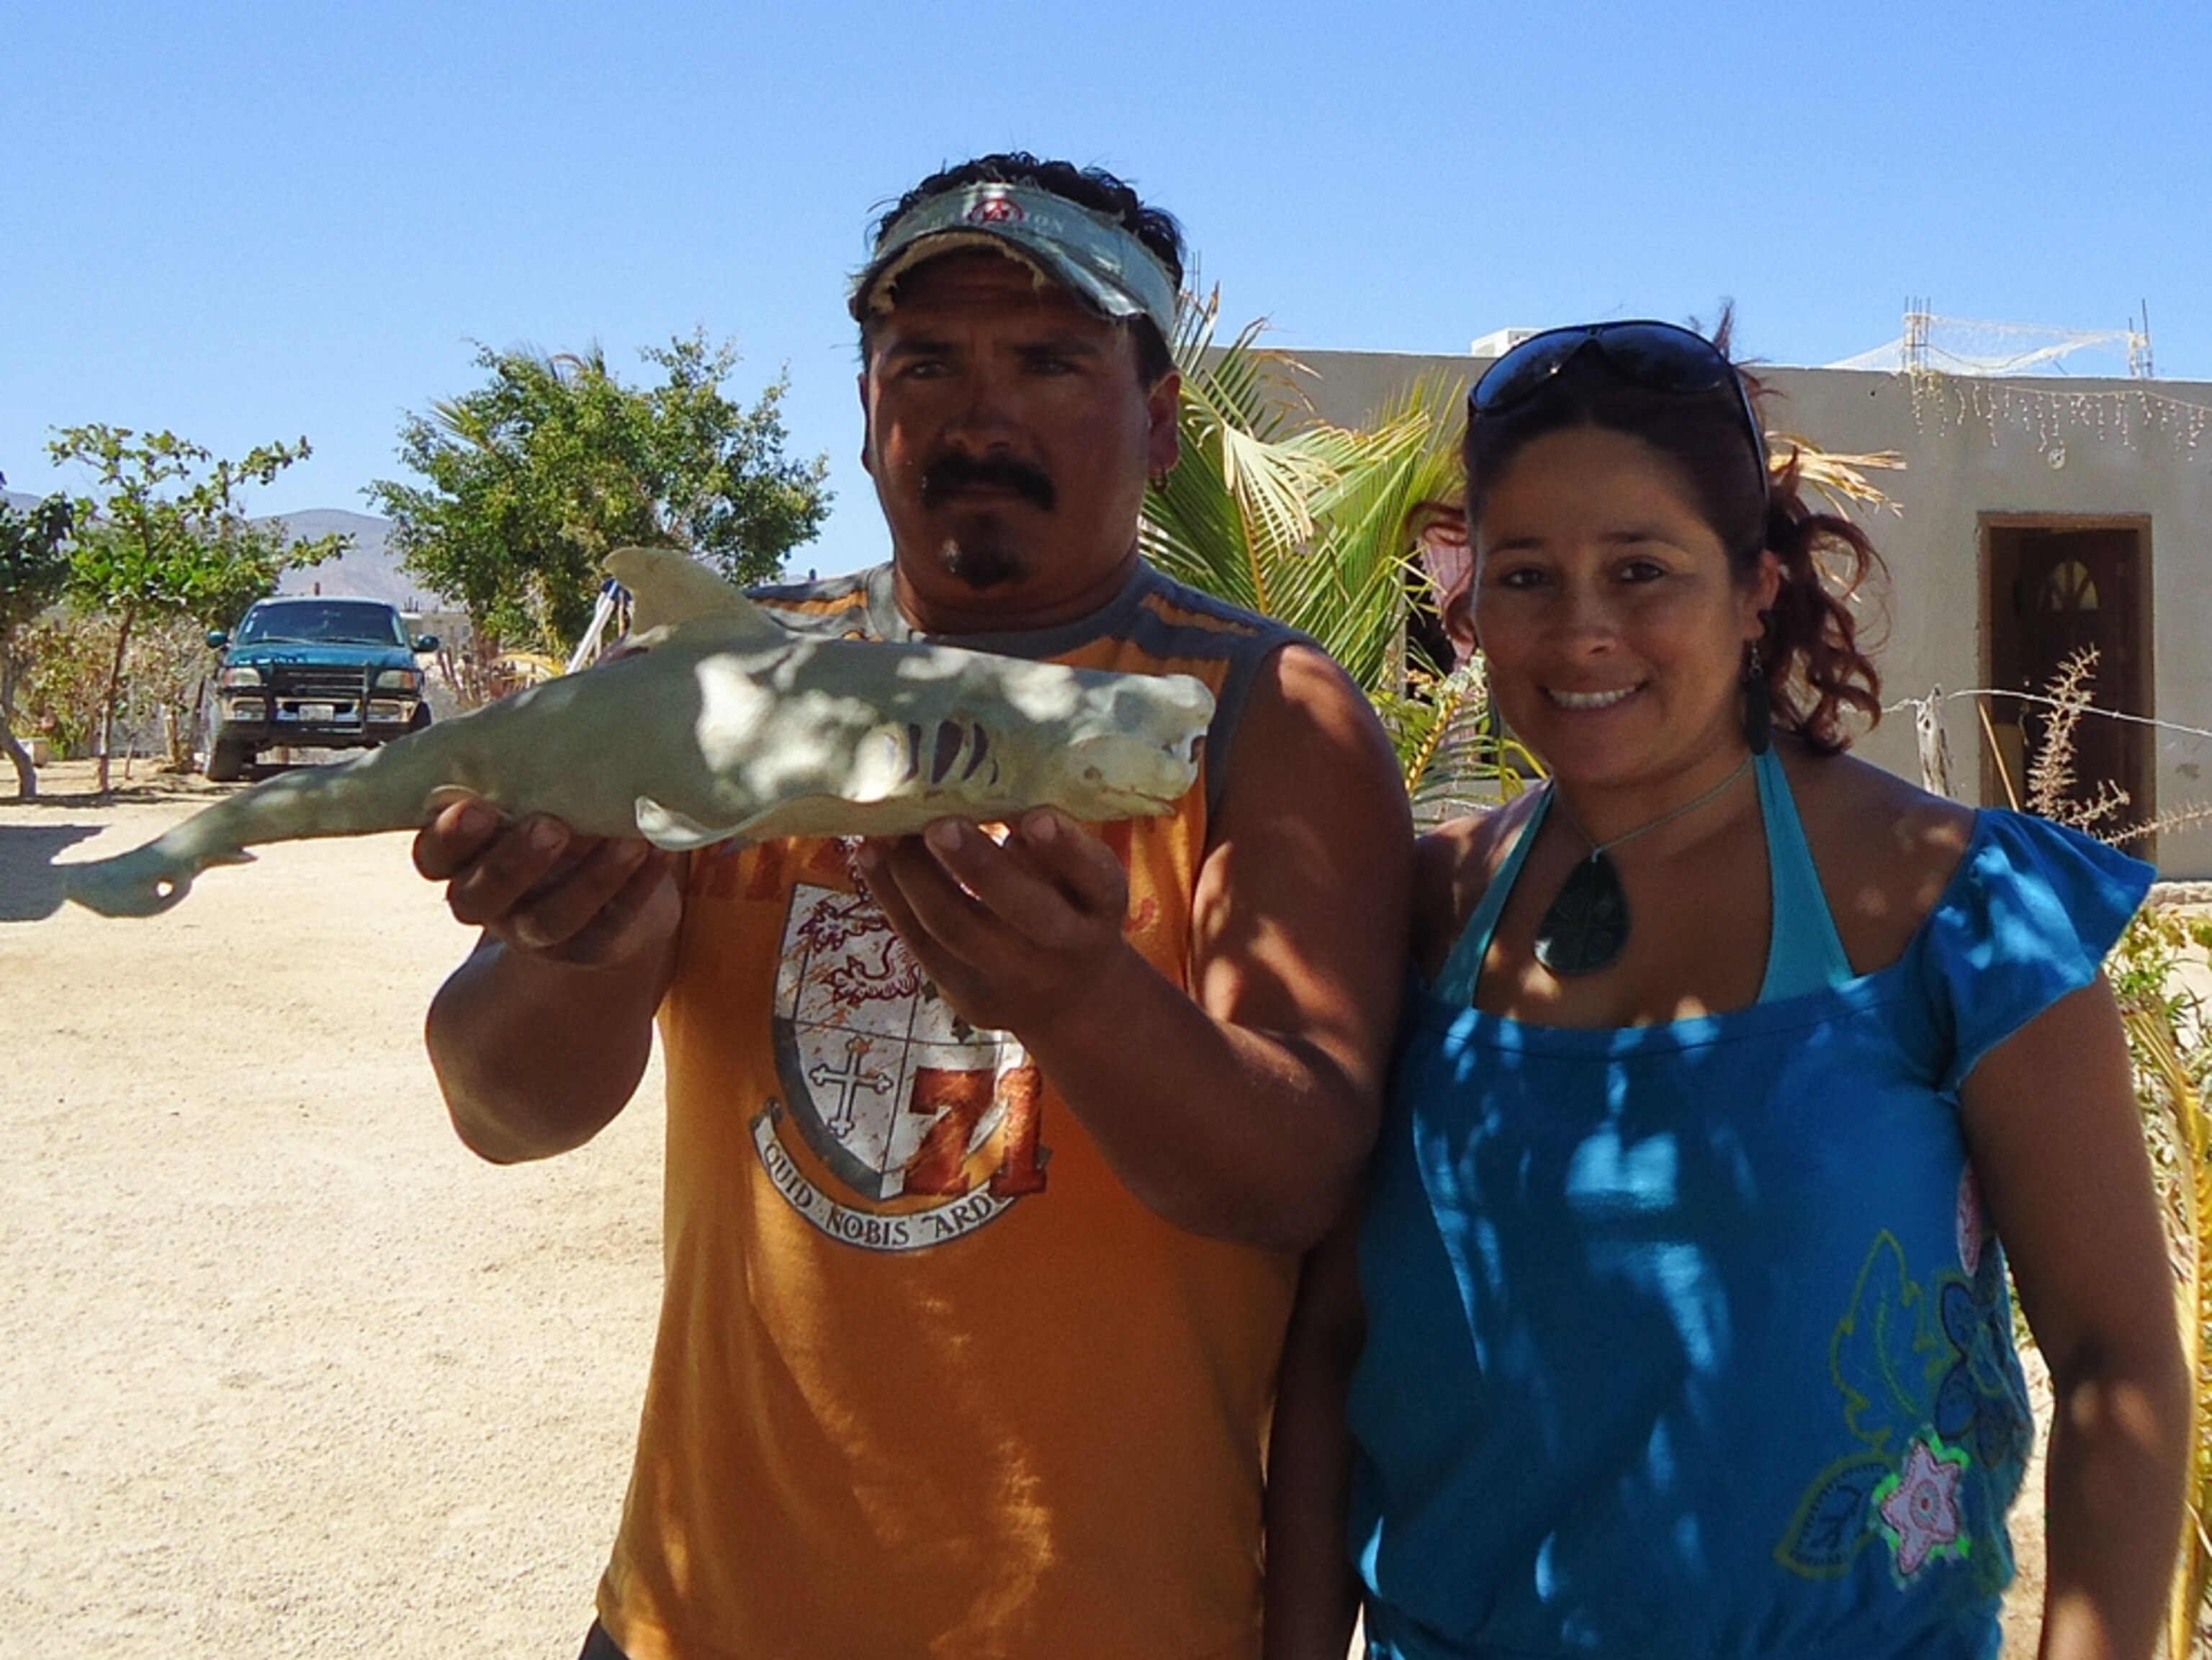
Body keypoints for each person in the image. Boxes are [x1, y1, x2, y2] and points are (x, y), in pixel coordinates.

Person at [413, 154, 1412, 1659]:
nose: (978, 411)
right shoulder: (727, 692)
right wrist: (586, 952)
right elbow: (503, 1109)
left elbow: (1293, 1181)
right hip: (705, 1622)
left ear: (1159, 420)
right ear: (867, 398)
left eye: (1049, 360)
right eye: (925, 359)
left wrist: (1081, 996)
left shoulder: (1260, 716)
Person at [1264, 321, 2188, 1660]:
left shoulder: (1955, 910)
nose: (1581, 629)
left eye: (1642, 568)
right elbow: (1338, 1339)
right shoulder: (1419, 913)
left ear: (1756, 586)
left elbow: (2116, 1362)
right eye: (1525, 574)